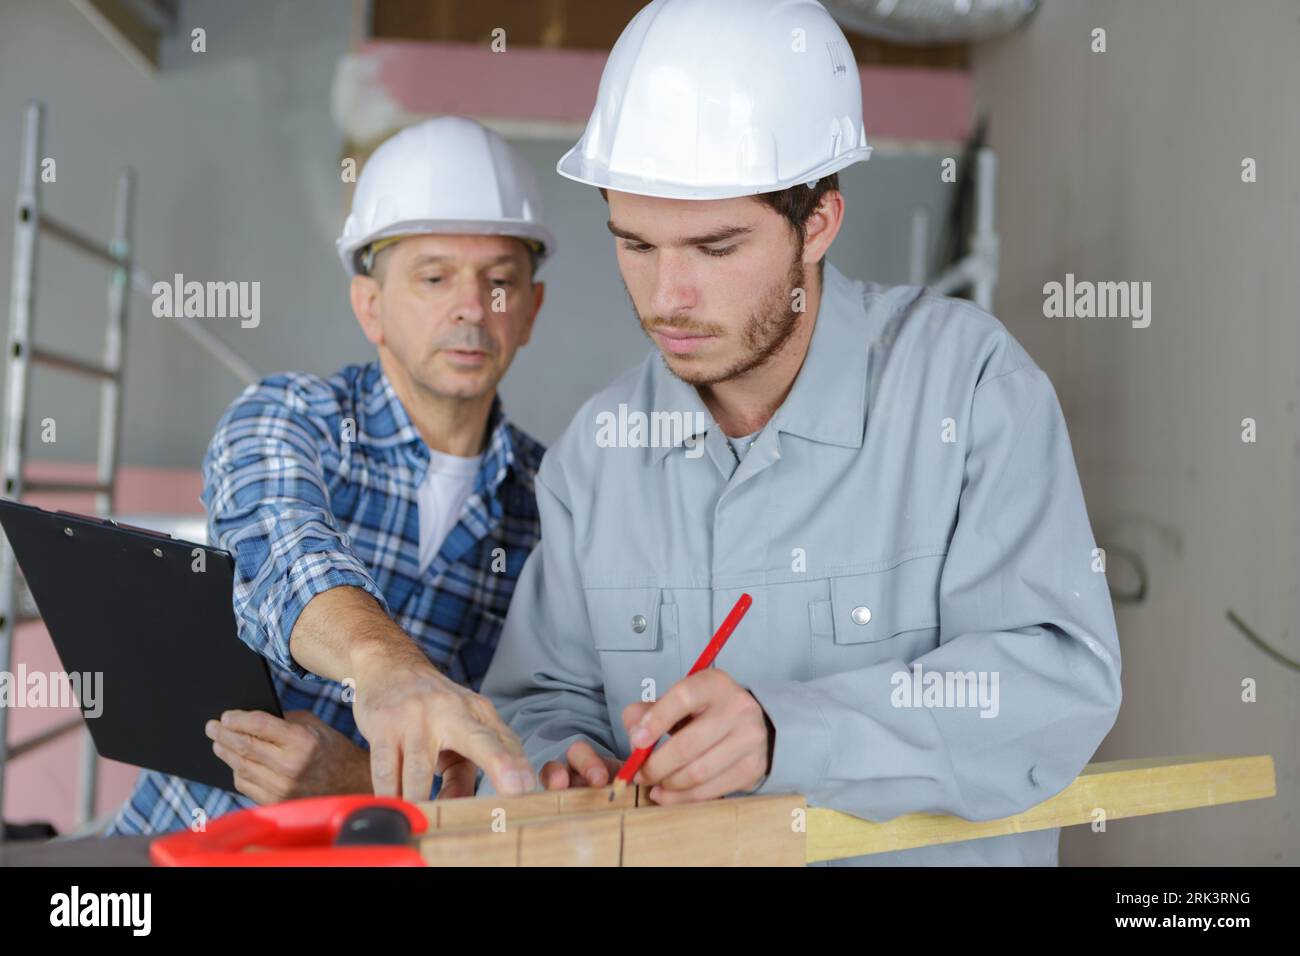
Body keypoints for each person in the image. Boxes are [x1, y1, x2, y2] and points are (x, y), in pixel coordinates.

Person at [478, 0, 1122, 865]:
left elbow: (1056, 686)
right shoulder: (599, 455)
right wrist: (561, 762)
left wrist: (792, 735)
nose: (667, 296)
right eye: (635, 244)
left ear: (816, 223)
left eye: (713, 248)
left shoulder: (967, 386)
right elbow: (540, 699)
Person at [107, 116, 547, 835]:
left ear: (531, 309)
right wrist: (385, 665)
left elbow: (530, 759)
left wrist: (353, 779)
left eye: (500, 281)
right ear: (370, 306)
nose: (472, 306)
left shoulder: (552, 505)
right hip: (183, 839)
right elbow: (280, 547)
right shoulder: (289, 418)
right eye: (434, 277)